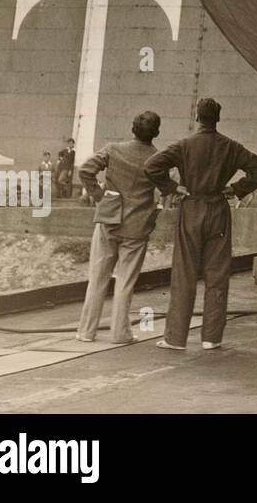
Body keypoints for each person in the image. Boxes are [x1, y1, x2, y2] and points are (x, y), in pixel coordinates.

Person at [146, 98, 257, 351]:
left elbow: (151, 166)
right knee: (217, 274)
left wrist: (172, 187)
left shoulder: (184, 145)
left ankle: (176, 338)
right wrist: (235, 189)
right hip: (218, 210)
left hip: (191, 208)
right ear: (218, 118)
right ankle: (211, 337)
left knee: (184, 274)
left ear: (197, 117)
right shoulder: (231, 147)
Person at [74, 111, 164, 344]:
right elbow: (167, 187)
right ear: (156, 133)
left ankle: (86, 331)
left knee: (97, 278)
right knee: (125, 282)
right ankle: (120, 334)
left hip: (108, 219)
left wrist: (99, 196)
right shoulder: (157, 158)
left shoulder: (113, 149)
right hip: (137, 226)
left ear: (133, 129)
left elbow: (85, 170)